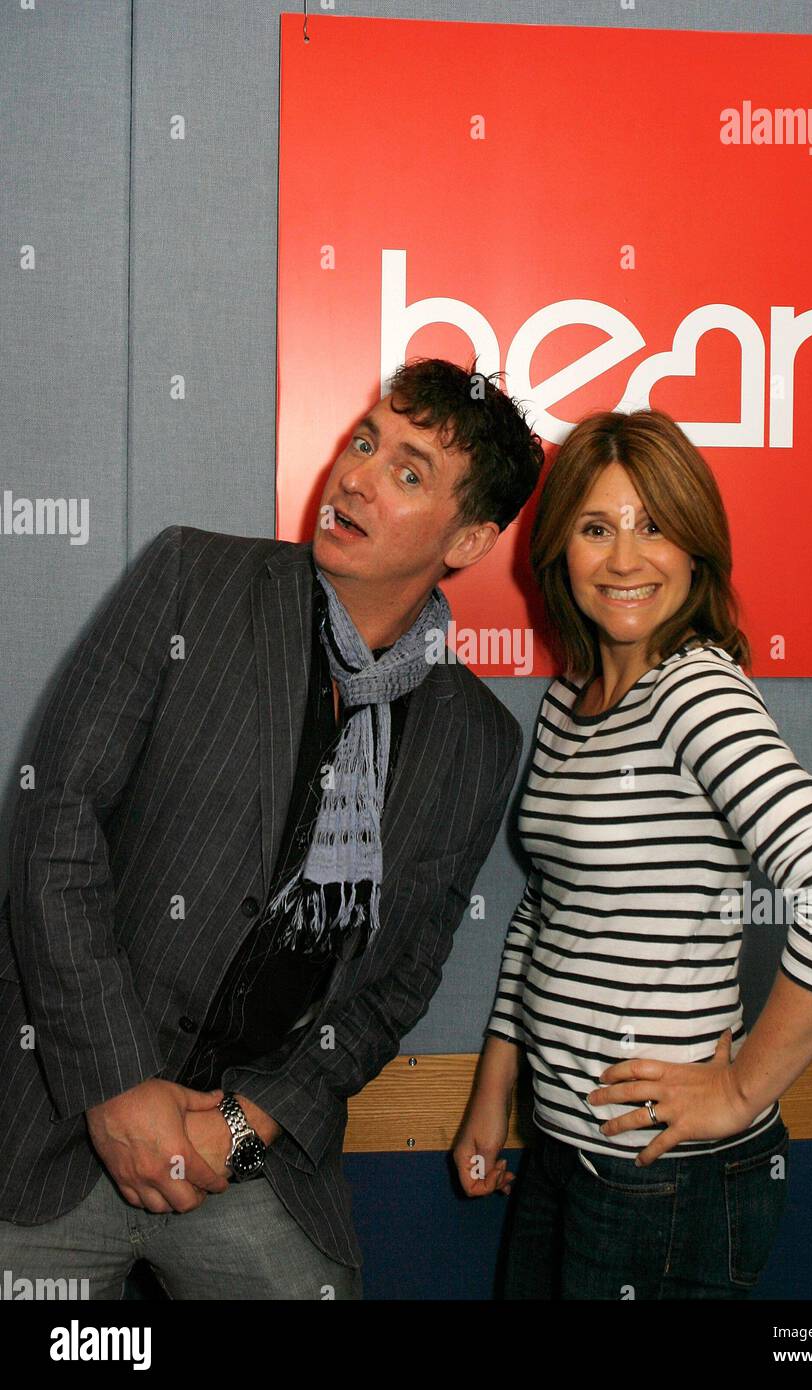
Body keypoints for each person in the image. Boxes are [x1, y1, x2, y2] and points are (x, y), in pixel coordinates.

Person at [0, 356, 544, 1299]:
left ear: (468, 539)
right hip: (60, 1116)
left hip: (243, 1158)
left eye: (409, 472)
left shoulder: (477, 741)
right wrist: (119, 1089)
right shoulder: (191, 581)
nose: (358, 475)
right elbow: (55, 823)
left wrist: (246, 1125)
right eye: (366, 441)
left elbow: (400, 981)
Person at [454, 408, 812, 1299]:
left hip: (661, 1177)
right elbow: (548, 906)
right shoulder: (568, 698)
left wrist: (737, 1090)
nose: (625, 559)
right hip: (562, 1149)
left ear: (696, 548)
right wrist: (493, 1095)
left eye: (654, 525)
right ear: (559, 553)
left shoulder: (694, 692)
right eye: (595, 527)